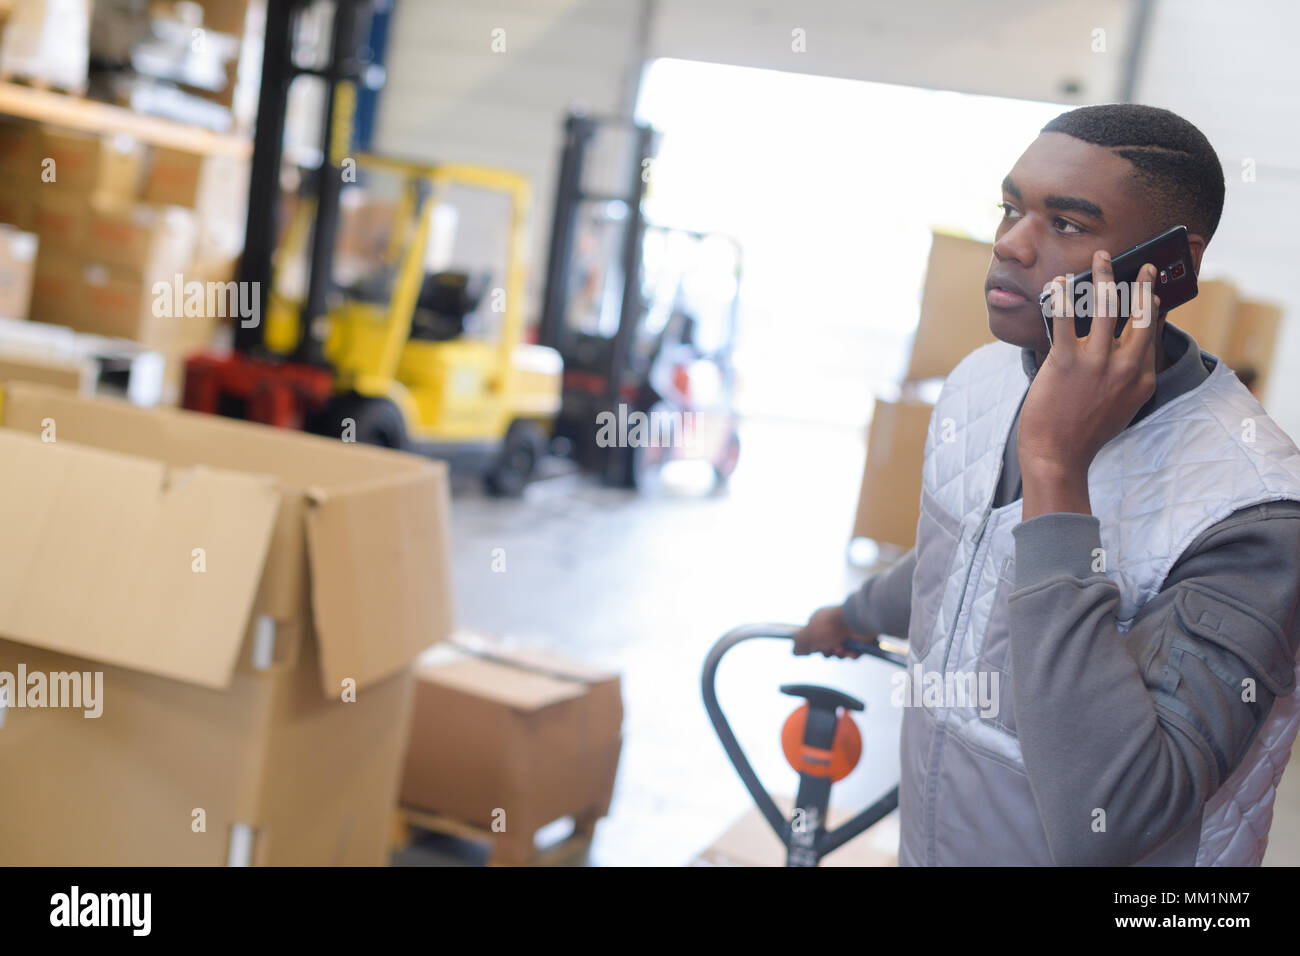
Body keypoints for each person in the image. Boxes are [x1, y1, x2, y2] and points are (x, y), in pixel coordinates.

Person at [794, 104, 1300, 866]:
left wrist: (1056, 469)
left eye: (1065, 224)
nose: (1009, 243)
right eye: (1011, 207)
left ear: (1170, 262)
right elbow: (962, 558)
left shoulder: (1253, 510)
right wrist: (855, 612)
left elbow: (1118, 811)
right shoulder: (981, 381)